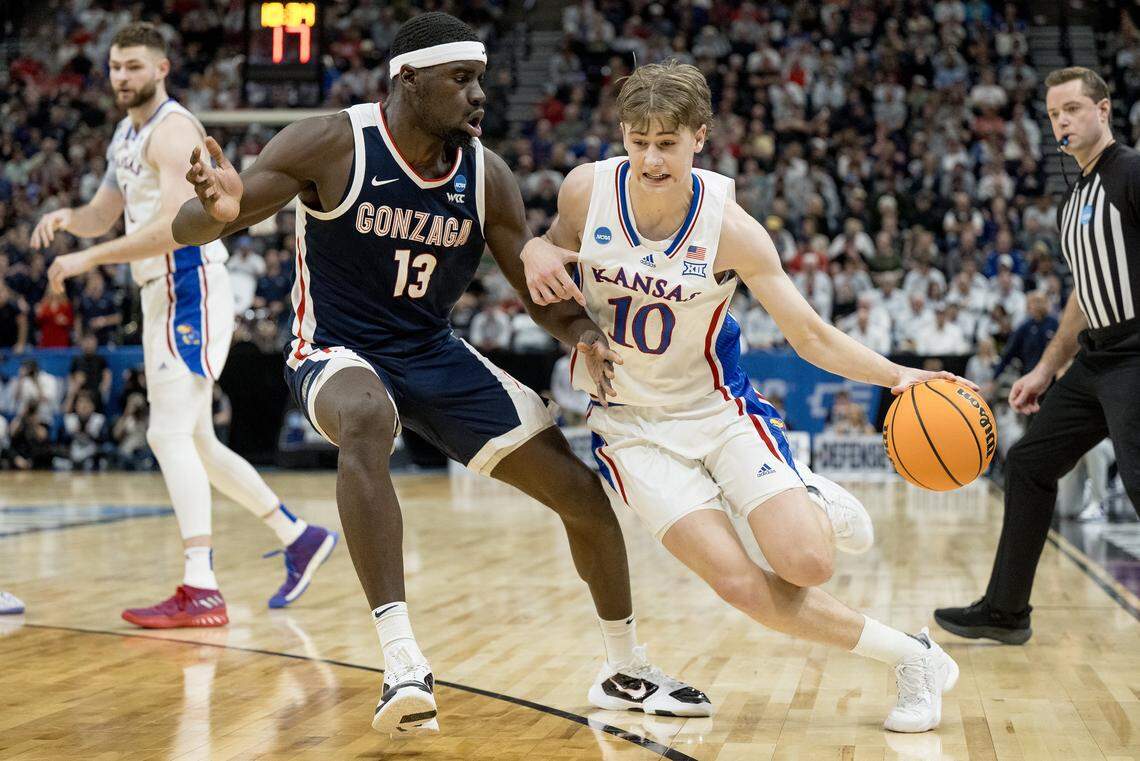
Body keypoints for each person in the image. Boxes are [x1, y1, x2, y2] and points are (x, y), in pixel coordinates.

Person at [172, 12, 706, 735]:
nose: (479, 95)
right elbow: (207, 218)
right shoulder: (333, 141)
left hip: (431, 350)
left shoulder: (487, 176)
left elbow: (535, 288)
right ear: (408, 80)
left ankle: (624, 663)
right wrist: (216, 209)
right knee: (366, 418)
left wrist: (582, 330)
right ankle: (401, 660)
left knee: (580, 493)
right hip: (334, 347)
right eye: (462, 80)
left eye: (481, 80)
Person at [522, 61, 977, 734]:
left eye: (667, 143)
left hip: (718, 411)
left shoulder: (731, 229)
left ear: (699, 138)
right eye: (639, 139)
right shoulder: (585, 192)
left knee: (808, 562)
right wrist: (537, 250)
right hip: (631, 427)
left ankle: (812, 495)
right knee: (738, 583)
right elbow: (551, 258)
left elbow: (809, 334)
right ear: (622, 133)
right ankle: (912, 657)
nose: (651, 157)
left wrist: (897, 377)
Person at [30, 23, 337, 627]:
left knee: (166, 436)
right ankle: (297, 537)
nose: (122, 77)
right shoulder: (127, 132)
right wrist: (72, 220)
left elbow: (174, 224)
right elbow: (104, 213)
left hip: (187, 286)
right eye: (116, 67)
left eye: (134, 67)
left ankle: (201, 585)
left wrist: (88, 258)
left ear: (162, 68)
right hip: (163, 292)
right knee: (196, 440)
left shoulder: (172, 131)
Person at [936, 67, 1140, 644]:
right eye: (1054, 114)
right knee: (1028, 465)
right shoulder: (1074, 199)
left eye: (1073, 108)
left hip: (1135, 354)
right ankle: (1005, 611)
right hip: (1095, 359)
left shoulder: (1130, 172)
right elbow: (1085, 294)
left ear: (1103, 110)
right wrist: (1048, 367)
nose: (1063, 121)